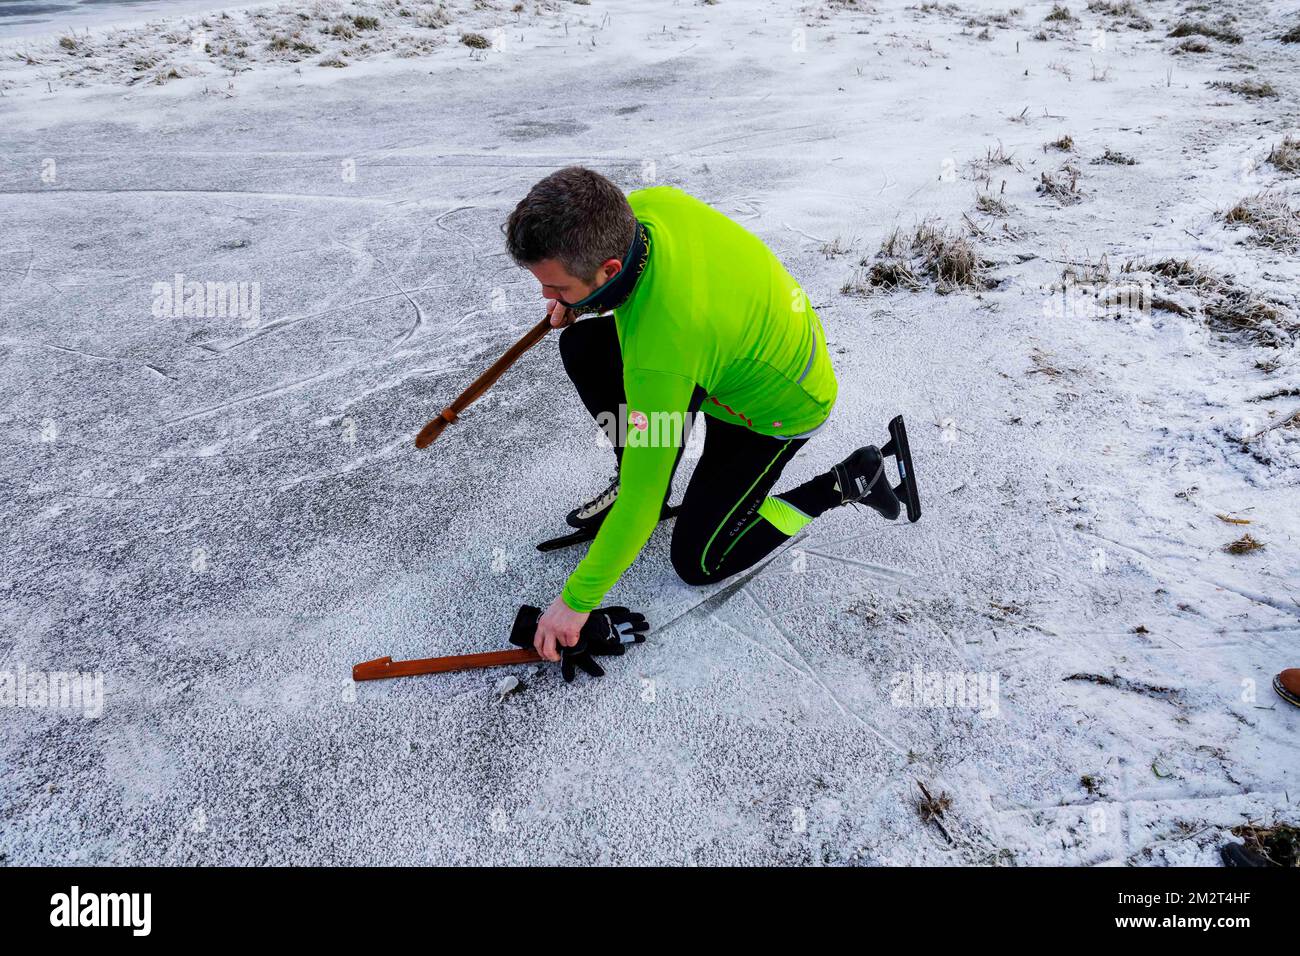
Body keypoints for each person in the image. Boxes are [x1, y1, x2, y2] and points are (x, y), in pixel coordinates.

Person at [504, 167, 913, 664]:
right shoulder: (647, 208)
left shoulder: (663, 352)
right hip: (732, 352)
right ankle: (642, 459)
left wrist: (574, 603)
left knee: (700, 560)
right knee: (585, 347)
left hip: (773, 410)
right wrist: (580, 301)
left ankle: (848, 482)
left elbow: (641, 498)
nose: (548, 298)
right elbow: (642, 301)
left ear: (608, 271)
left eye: (557, 287)